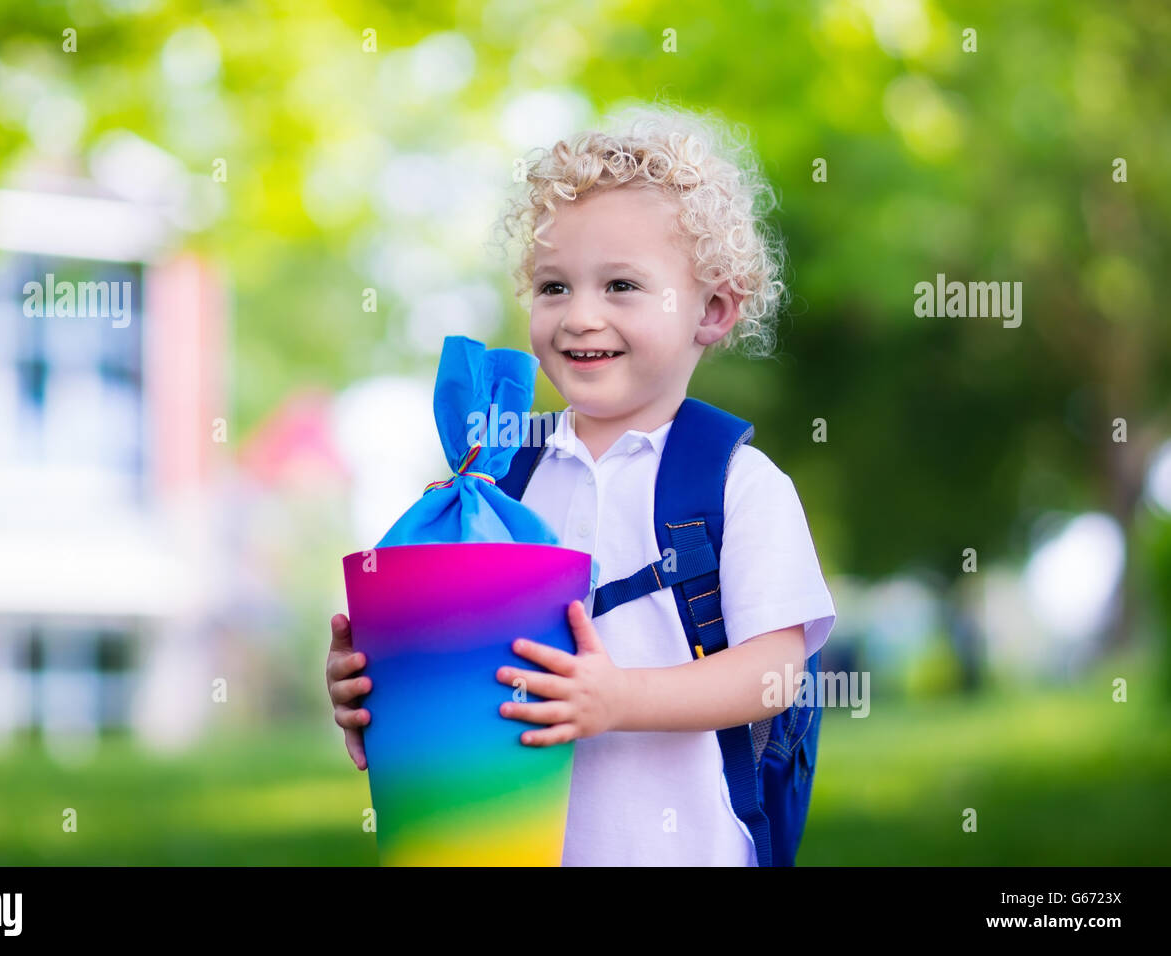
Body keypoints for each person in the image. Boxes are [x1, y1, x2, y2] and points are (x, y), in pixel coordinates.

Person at [327, 102, 837, 865]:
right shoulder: (497, 481)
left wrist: (619, 698)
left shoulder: (737, 485)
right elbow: (458, 665)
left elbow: (774, 675)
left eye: (622, 285)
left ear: (715, 308)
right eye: (554, 287)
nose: (578, 317)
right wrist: (377, 685)